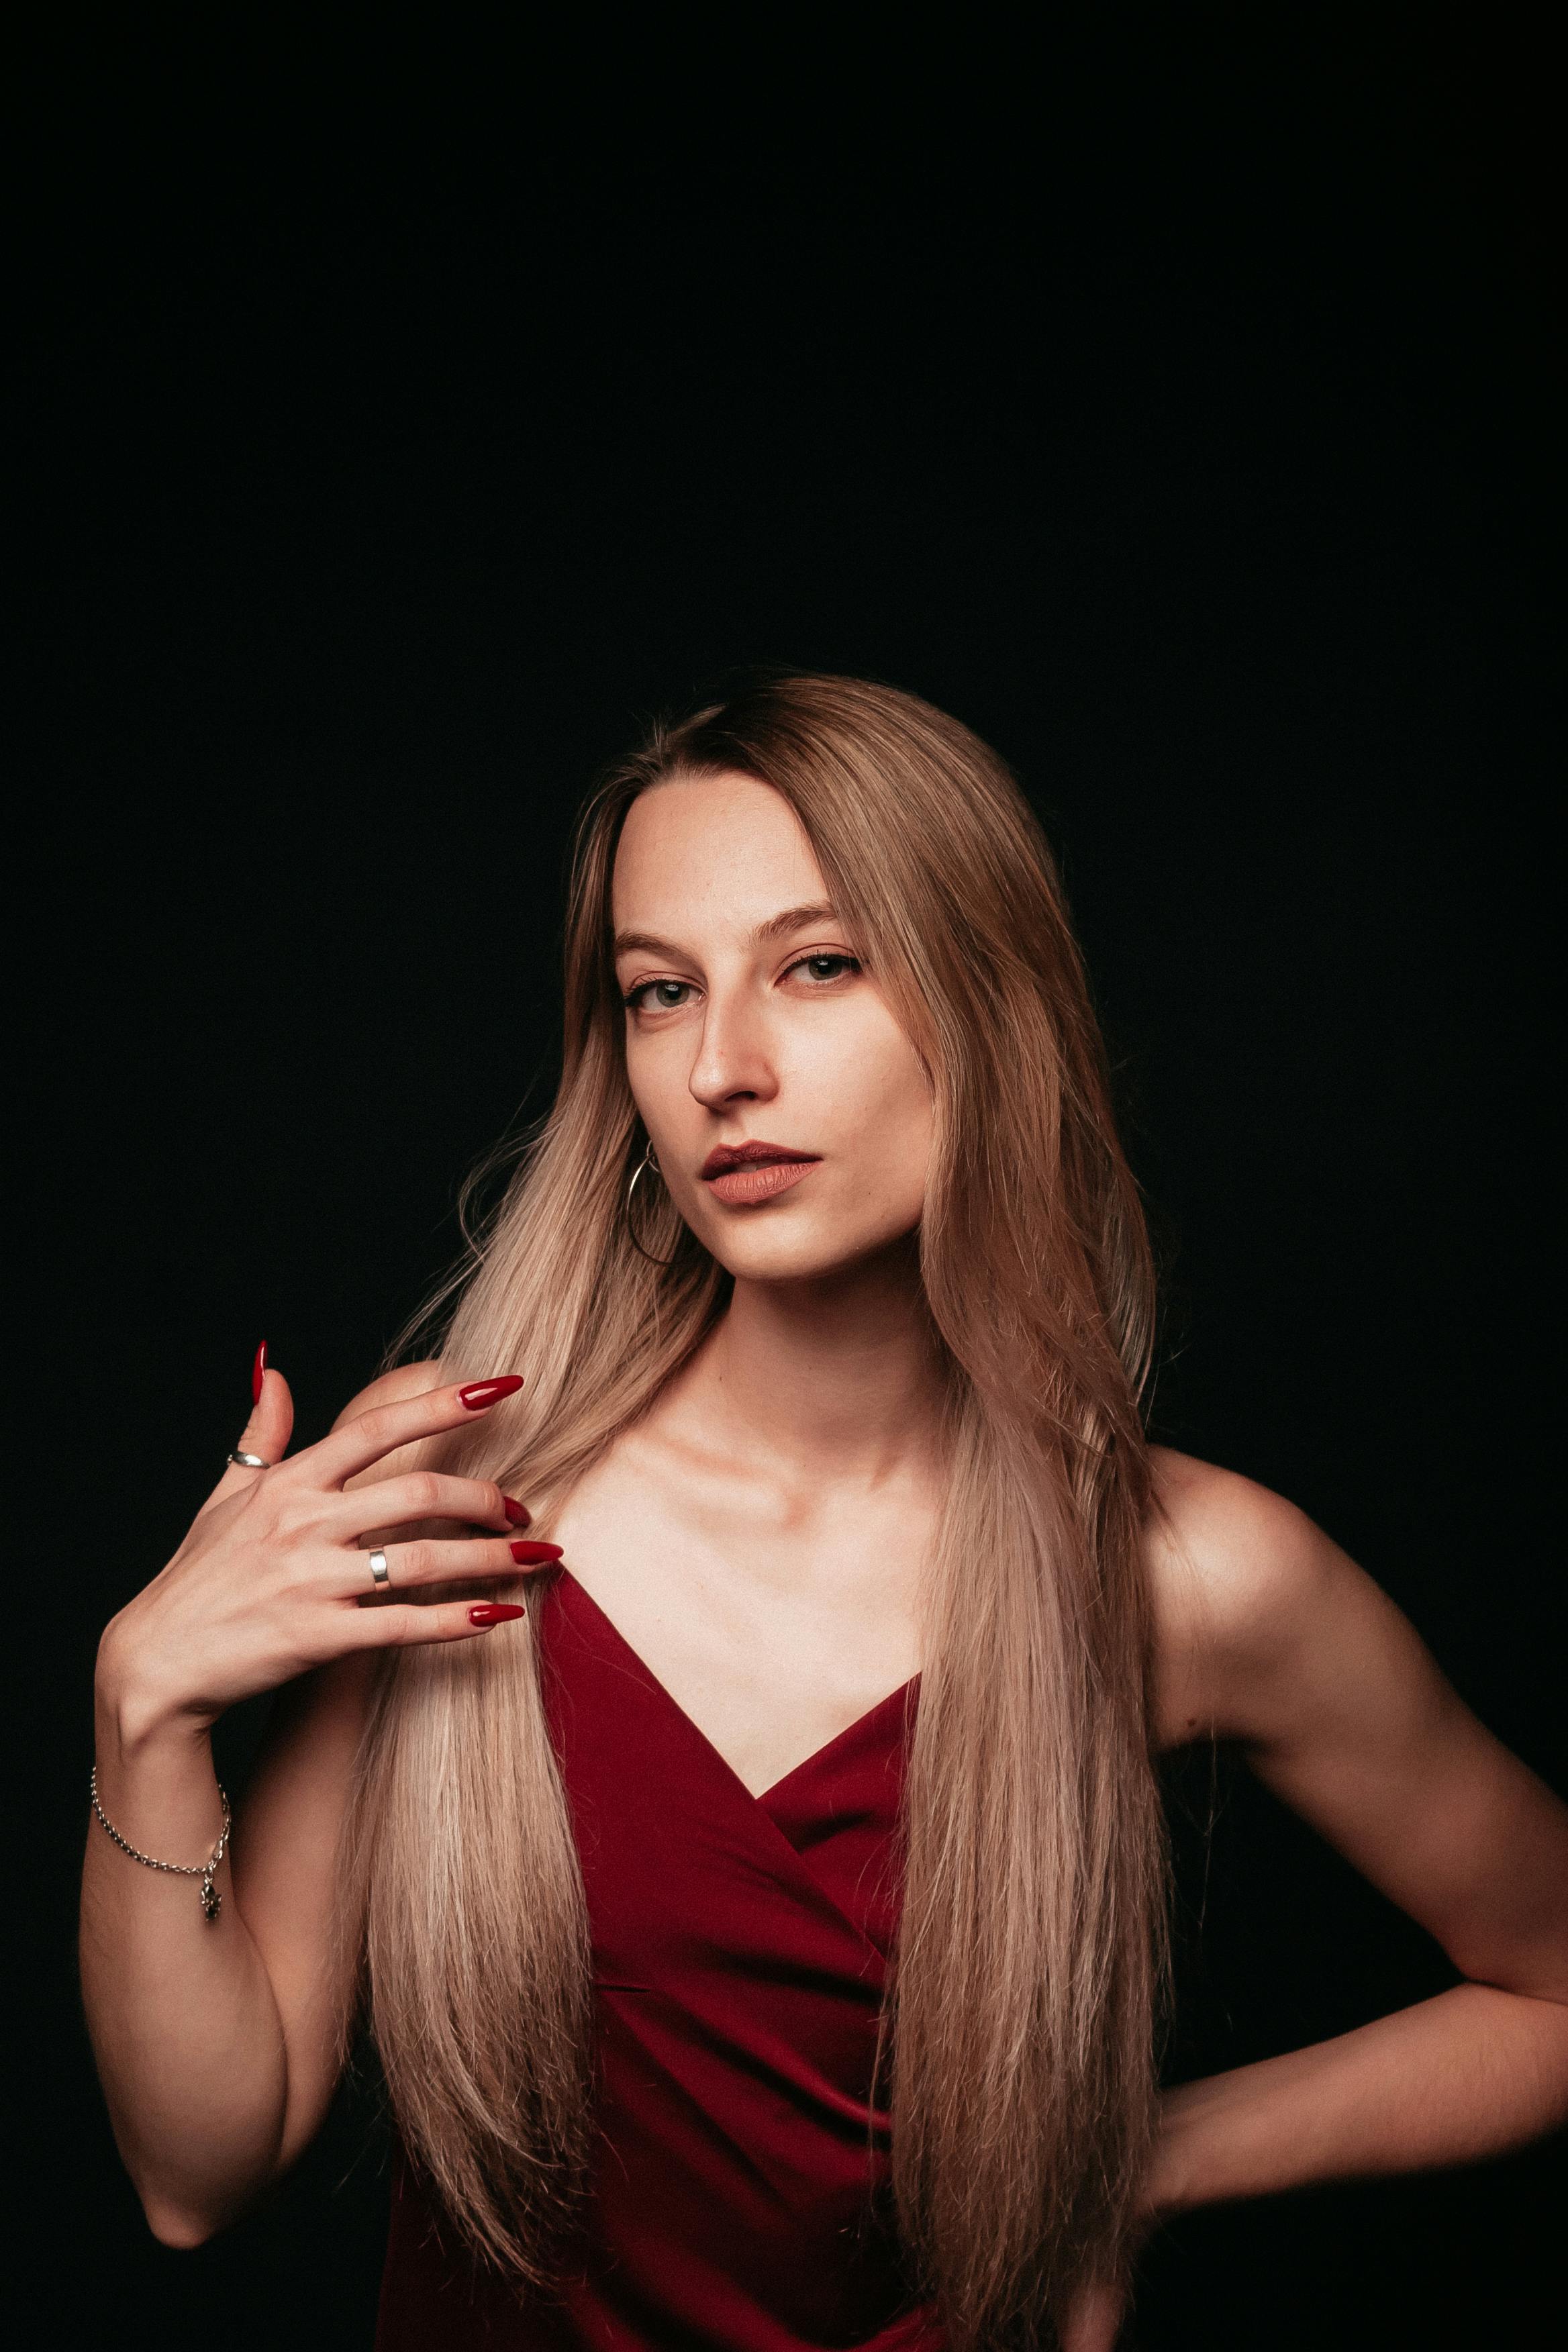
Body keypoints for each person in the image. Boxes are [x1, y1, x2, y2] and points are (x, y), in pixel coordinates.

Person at [82, 675, 1568, 2351]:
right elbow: (198, 2171)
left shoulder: (1190, 1576)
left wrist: (1129, 2170)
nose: (723, 1066)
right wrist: (145, 1710)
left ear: (989, 1009)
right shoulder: (455, 1496)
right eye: (659, 994)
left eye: (820, 965)